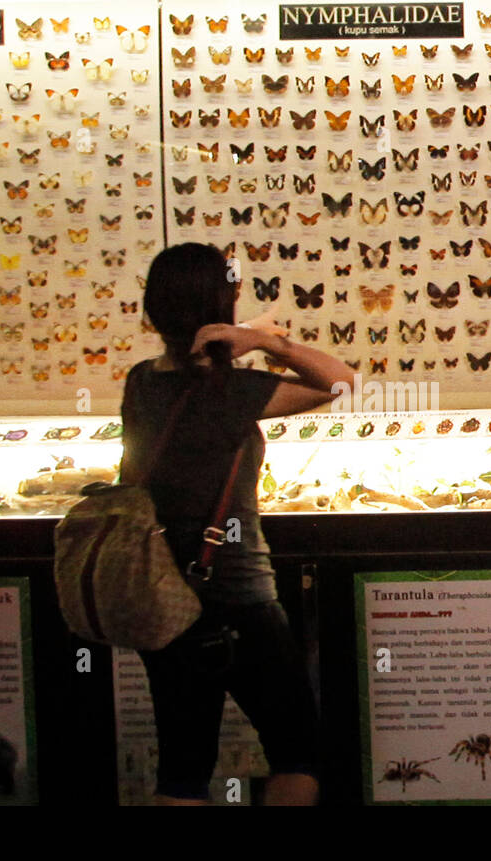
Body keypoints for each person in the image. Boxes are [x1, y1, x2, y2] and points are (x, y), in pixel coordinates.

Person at [120, 242, 354, 805]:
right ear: (222, 308)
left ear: (151, 312)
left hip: (164, 597)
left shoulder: (141, 383)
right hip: (237, 593)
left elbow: (186, 371)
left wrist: (234, 333)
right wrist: (267, 342)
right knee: (298, 751)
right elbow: (340, 380)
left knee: (183, 764)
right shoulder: (233, 390)